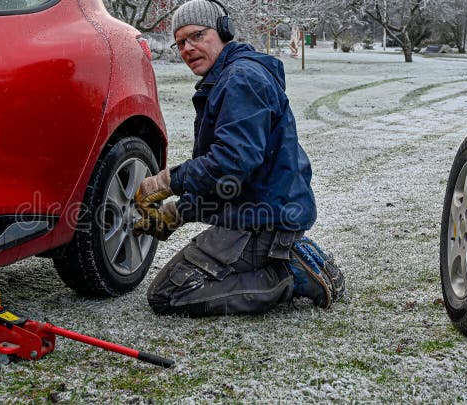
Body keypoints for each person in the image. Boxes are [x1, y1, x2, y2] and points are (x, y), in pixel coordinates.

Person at [134, 0, 344, 317]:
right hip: (258, 213)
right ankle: (284, 255)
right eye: (180, 43)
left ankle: (289, 275)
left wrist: (169, 181)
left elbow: (230, 163)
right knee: (178, 286)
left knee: (167, 295)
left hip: (261, 221)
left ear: (223, 31)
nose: (187, 48)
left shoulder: (241, 80)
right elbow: (233, 182)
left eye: (196, 36)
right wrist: (179, 212)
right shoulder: (228, 78)